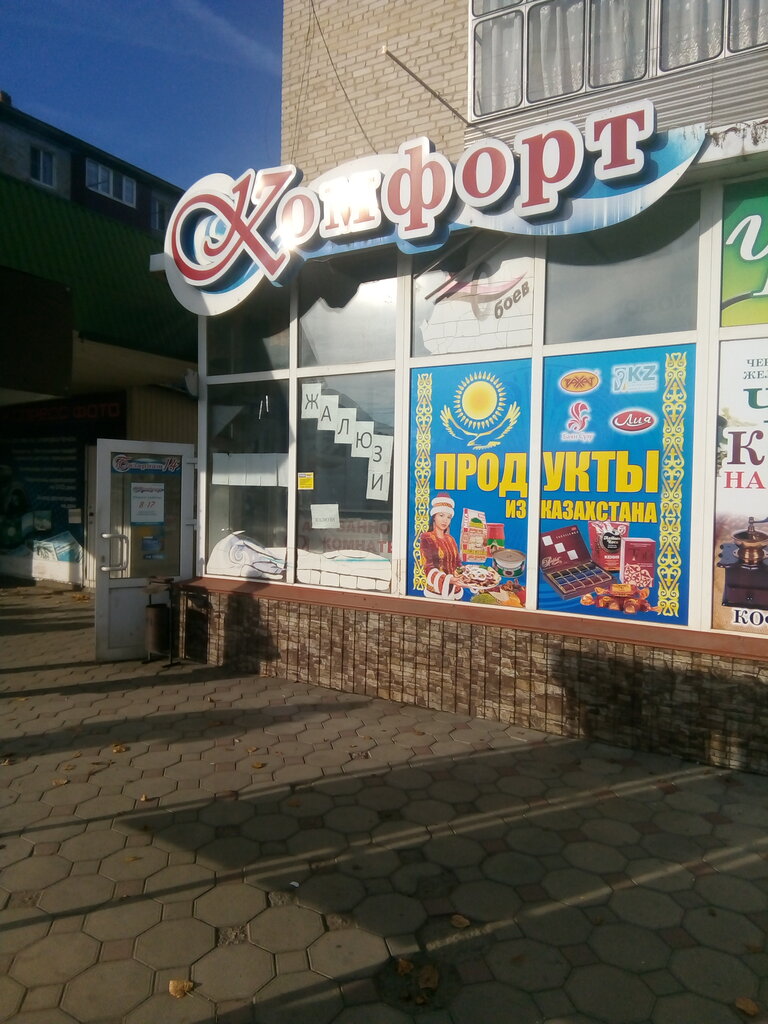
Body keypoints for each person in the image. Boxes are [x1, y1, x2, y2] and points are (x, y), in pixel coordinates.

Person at [419, 493, 462, 593]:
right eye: (441, 515)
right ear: (434, 516)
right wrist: (447, 579)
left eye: (449, 517)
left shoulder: (451, 539)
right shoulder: (427, 537)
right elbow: (427, 566)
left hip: (455, 590)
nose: (445, 520)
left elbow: (457, 563)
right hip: (436, 591)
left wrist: (464, 573)